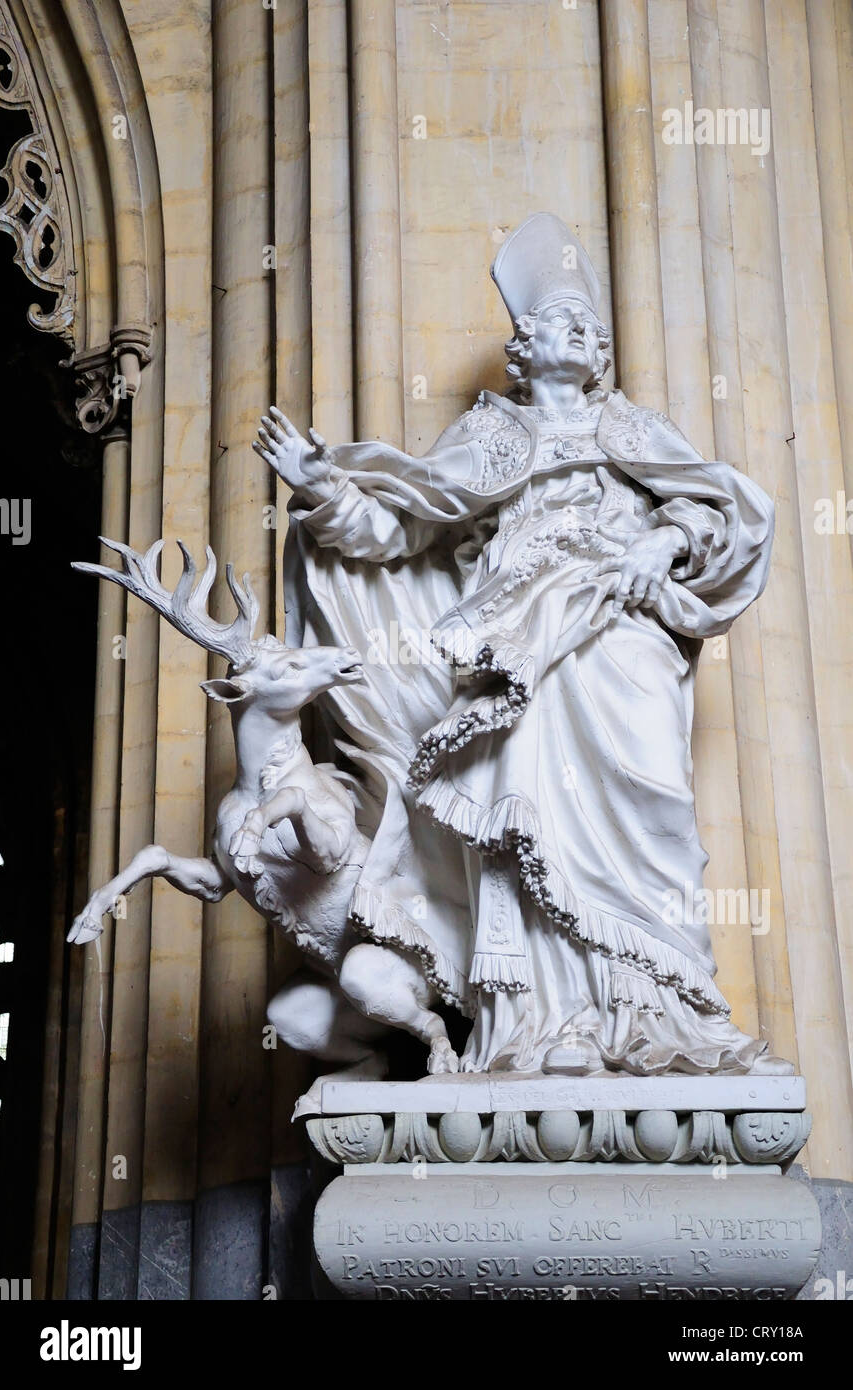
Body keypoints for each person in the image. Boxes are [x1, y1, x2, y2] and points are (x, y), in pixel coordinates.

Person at [254, 213, 790, 1076]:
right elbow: (397, 529)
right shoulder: (488, 438)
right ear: (522, 346)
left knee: (647, 811)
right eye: (562, 320)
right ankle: (546, 1024)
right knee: (528, 819)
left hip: (621, 640)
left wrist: (665, 539)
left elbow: (718, 505)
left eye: (592, 325)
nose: (582, 333)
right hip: (522, 655)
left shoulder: (634, 430)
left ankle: (657, 1015)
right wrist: (324, 488)